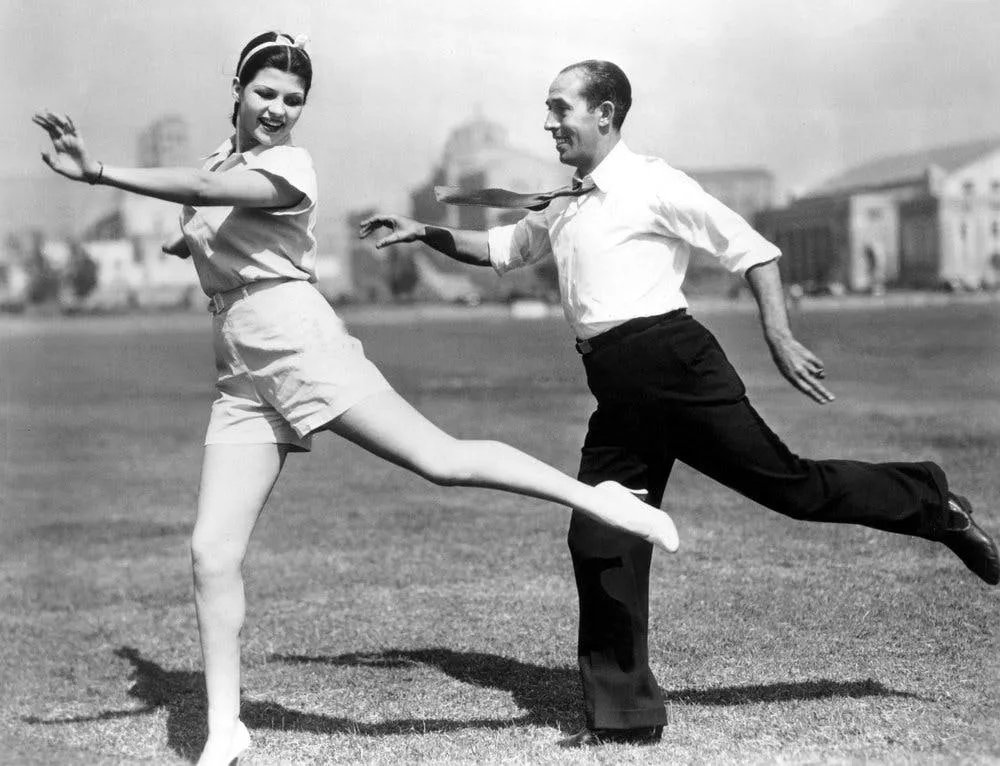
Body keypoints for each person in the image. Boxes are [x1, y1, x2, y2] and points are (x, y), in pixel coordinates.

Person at [33, 41, 680, 766]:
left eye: (292, 99)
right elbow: (209, 206)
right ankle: (226, 729)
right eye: (266, 92)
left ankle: (609, 502)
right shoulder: (219, 163)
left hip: (301, 345)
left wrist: (97, 171)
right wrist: (193, 249)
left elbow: (216, 196)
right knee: (211, 552)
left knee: (442, 460)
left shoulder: (288, 166)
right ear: (238, 88)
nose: (277, 109)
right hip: (242, 371)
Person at [359, 59, 999, 748]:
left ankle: (935, 503)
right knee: (600, 532)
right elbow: (501, 249)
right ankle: (625, 713)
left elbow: (753, 251)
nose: (548, 123)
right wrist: (425, 232)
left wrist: (779, 334)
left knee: (792, 489)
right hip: (618, 389)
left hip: (675, 370)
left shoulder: (653, 183)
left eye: (560, 108)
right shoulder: (565, 200)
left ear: (604, 113)